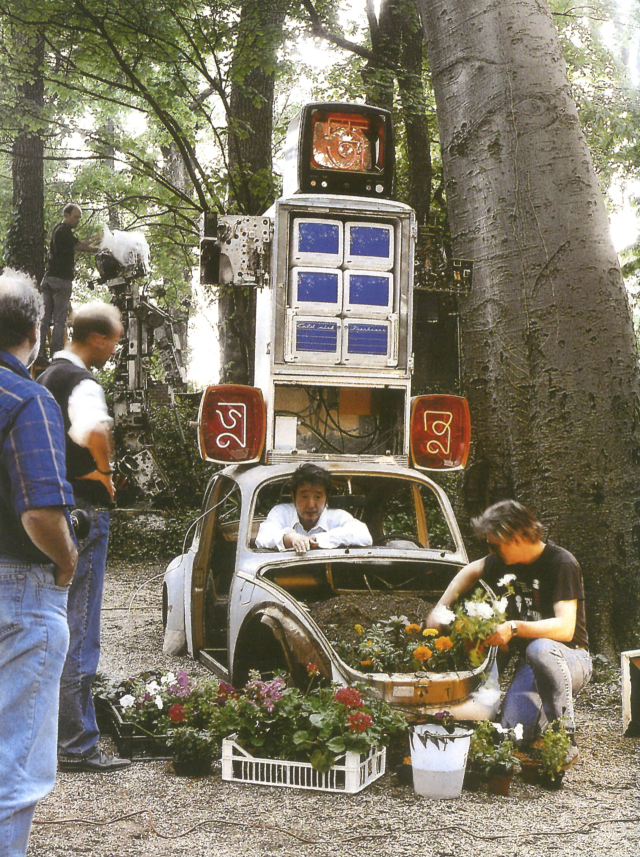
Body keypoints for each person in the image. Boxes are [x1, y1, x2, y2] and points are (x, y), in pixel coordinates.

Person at [0, 269, 78, 856]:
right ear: (35, 328)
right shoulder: (28, 399)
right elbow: (41, 514)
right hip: (18, 593)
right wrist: (68, 562)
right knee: (11, 771)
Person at [38, 302, 130, 773]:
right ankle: (77, 744)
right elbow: (95, 429)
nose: (116, 349)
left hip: (52, 509)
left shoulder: (46, 375)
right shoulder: (83, 382)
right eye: (114, 340)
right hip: (85, 509)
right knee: (81, 625)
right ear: (96, 338)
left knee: (50, 620)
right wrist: (105, 470)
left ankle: (47, 734)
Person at [426, 500, 591, 762]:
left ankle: (565, 733)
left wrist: (513, 628)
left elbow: (565, 628)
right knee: (512, 734)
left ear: (516, 537)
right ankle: (539, 719)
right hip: (530, 665)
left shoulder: (561, 562)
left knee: (540, 648)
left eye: (494, 545)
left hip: (569, 660)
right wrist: (440, 608)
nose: (491, 551)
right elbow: (469, 572)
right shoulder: (503, 561)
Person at [256, 463, 372, 553]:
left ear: (326, 498)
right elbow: (263, 537)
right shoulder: (281, 512)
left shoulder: (338, 516)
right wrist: (290, 538)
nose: (311, 504)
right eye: (304, 496)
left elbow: (364, 536)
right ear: (293, 496)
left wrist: (317, 539)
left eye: (317, 497)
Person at [39, 204, 102, 362]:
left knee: (44, 320)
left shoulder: (58, 231)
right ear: (66, 215)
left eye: (80, 218)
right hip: (60, 281)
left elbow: (79, 243)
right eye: (76, 217)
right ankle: (55, 355)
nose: (78, 221)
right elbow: (79, 246)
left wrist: (96, 237)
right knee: (59, 321)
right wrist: (100, 249)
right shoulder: (64, 231)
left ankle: (39, 354)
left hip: (48, 279)